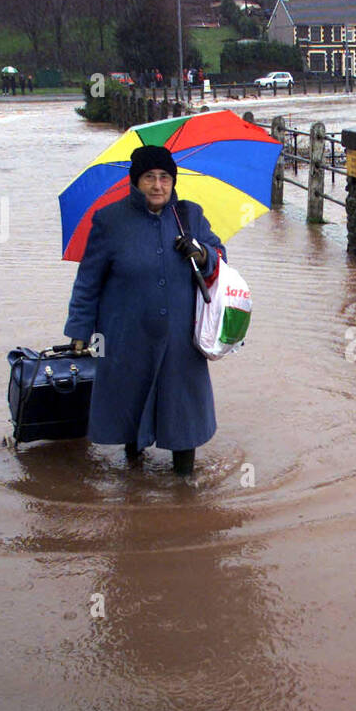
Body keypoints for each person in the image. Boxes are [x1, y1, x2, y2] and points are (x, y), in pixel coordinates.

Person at [64, 145, 228, 475]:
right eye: (149, 177)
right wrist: (79, 330)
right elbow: (88, 280)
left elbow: (221, 259)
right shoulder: (109, 220)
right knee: (131, 406)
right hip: (127, 335)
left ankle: (185, 489)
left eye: (164, 177)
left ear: (173, 180)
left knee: (183, 414)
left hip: (182, 338)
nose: (157, 186)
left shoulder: (190, 215)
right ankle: (134, 477)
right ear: (135, 182)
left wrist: (201, 252)